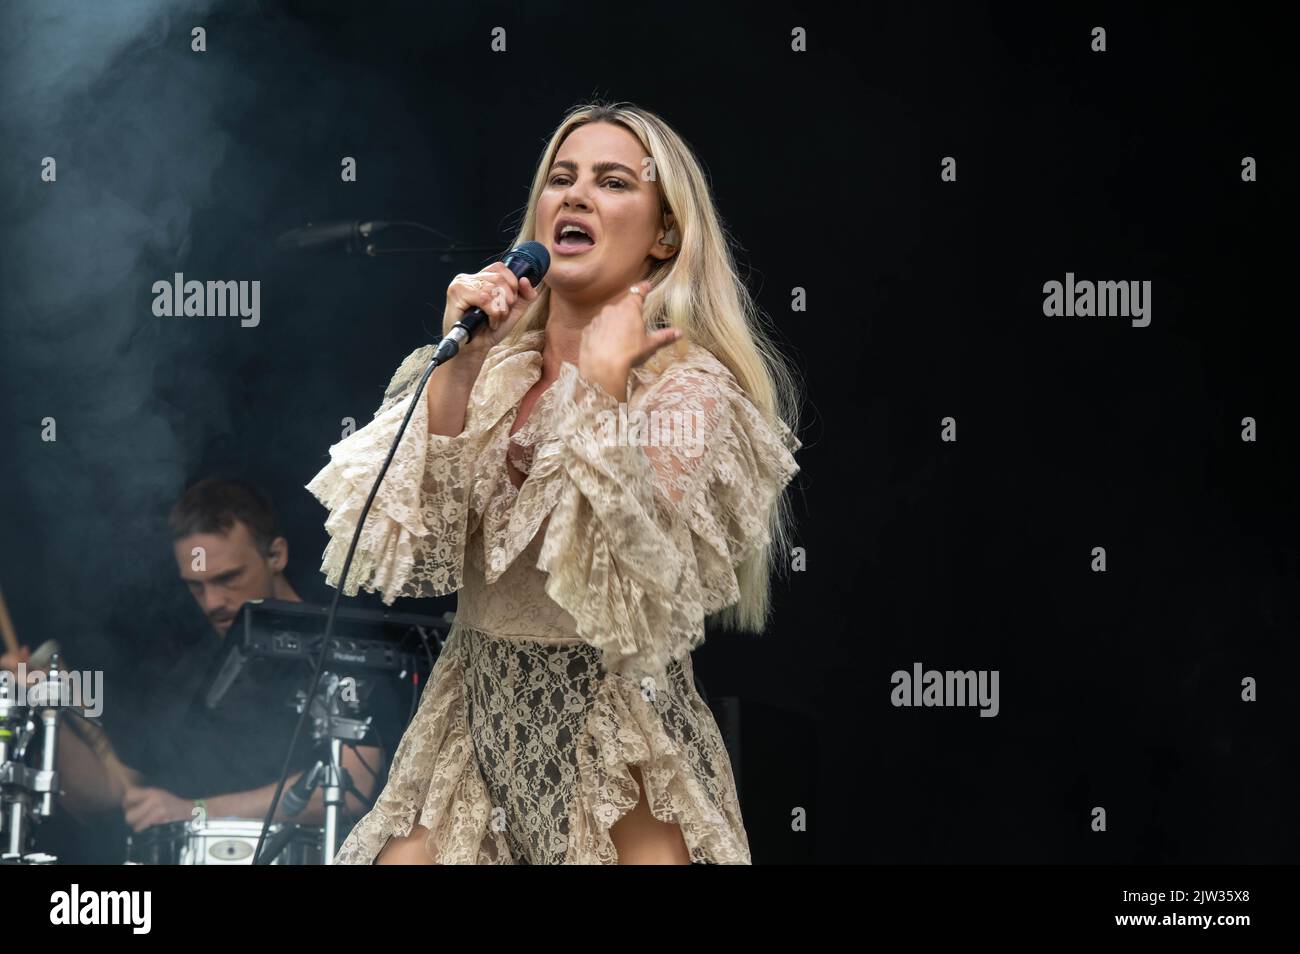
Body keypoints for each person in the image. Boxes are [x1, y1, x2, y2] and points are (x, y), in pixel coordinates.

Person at [307, 102, 802, 865]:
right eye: (561, 179)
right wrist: (461, 369)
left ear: (664, 234)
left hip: (618, 738)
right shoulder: (490, 366)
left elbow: (635, 596)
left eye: (611, 182)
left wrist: (601, 389)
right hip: (472, 727)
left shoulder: (690, 394)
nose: (574, 196)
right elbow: (421, 559)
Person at [1, 478, 388, 851]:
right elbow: (109, 795)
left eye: (228, 578)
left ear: (276, 555)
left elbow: (349, 785)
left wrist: (197, 812)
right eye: (196, 586)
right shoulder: (189, 665)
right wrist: (47, 706)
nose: (213, 602)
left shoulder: (343, 647)